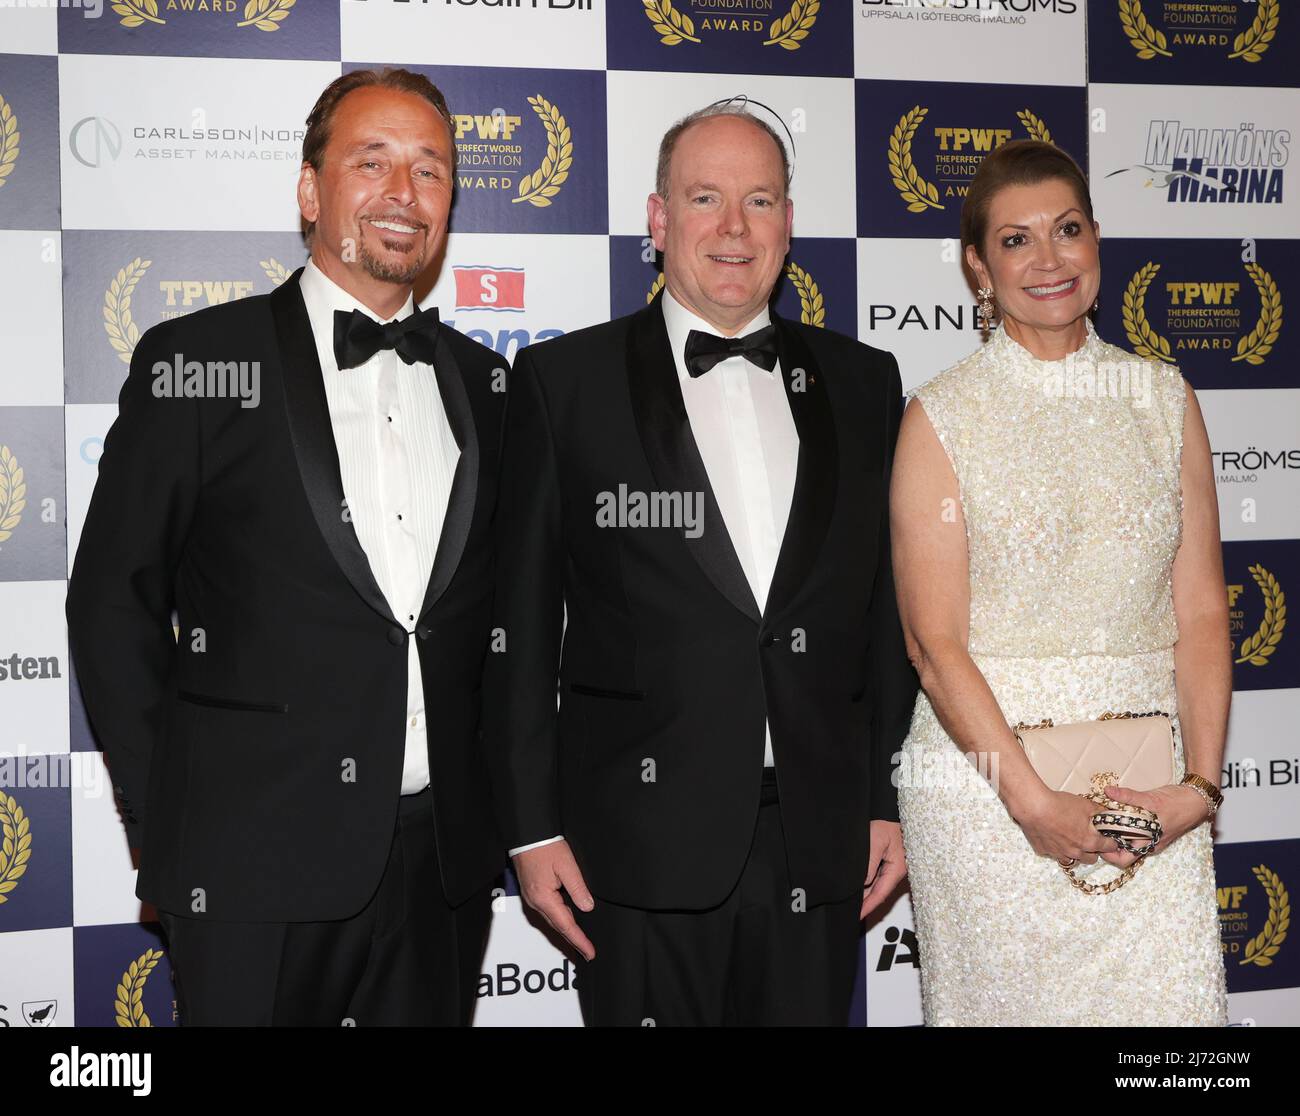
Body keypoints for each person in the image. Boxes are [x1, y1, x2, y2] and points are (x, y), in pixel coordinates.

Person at [66, 68, 508, 1026]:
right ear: (311, 191)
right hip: (246, 862)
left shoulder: (488, 385)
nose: (404, 192)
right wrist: (166, 821)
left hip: (439, 868)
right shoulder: (197, 362)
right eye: (372, 161)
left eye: (430, 169)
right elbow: (110, 604)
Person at [485, 103, 918, 1026]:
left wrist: (889, 798)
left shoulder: (864, 382)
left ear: (788, 224)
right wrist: (529, 828)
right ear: (658, 218)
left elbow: (887, 614)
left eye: (758, 200)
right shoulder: (564, 386)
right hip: (633, 848)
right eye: (704, 198)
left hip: (819, 842)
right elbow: (518, 628)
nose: (734, 228)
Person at [890, 139, 1229, 1026]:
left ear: (1097, 240)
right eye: (1016, 239)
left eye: (1067, 229)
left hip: (1150, 793)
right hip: (989, 802)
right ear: (978, 266)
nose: (1049, 258)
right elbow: (933, 645)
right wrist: (1031, 802)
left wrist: (1198, 789)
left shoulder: (1163, 398)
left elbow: (1201, 613)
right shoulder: (941, 416)